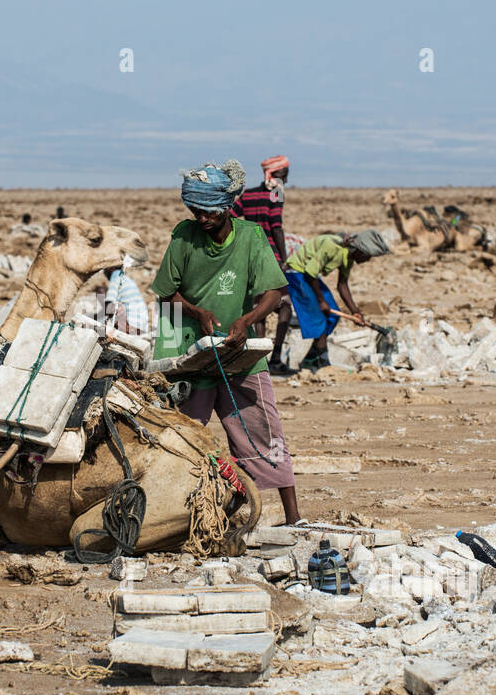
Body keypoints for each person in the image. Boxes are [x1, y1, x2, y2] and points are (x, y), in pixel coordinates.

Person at [151, 159, 301, 527]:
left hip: (238, 350)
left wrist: (247, 320)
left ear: (227, 208)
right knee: (180, 437)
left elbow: (276, 291)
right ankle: (174, 517)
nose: (202, 219)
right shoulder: (184, 236)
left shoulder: (250, 236)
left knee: (264, 430)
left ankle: (294, 517)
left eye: (210, 213)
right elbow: (165, 295)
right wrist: (196, 312)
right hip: (187, 347)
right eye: (196, 211)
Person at [283, 230, 390, 372]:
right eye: (367, 256)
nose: (367, 260)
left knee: (333, 315)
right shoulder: (332, 246)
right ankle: (322, 362)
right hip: (297, 273)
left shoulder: (348, 257)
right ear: (359, 250)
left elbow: (342, 285)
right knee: (319, 318)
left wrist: (355, 312)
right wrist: (321, 301)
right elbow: (310, 272)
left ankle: (311, 358)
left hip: (311, 276)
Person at [234, 155, 294, 372]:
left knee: (259, 307)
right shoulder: (276, 192)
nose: (286, 178)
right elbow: (277, 226)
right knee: (284, 304)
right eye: (284, 174)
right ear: (274, 174)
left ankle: (260, 359)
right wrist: (283, 258)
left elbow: (231, 215)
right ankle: (276, 356)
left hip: (250, 258)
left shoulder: (248, 195)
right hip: (270, 257)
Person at [96, 266, 150, 335]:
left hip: (132, 325)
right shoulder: (127, 279)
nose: (104, 272)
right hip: (142, 327)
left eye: (104, 268)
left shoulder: (116, 274)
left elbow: (109, 305)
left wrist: (95, 318)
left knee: (113, 308)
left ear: (110, 267)